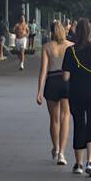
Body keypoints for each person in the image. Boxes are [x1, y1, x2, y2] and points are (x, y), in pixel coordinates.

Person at [62, 18, 91, 177]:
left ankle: (78, 164)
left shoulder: (70, 51)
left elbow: (66, 77)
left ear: (76, 31)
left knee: (79, 125)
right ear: (90, 32)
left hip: (76, 93)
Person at [35, 20, 73, 166]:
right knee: (65, 117)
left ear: (51, 32)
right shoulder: (70, 46)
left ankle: (56, 148)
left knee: (54, 119)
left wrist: (39, 91)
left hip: (51, 82)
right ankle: (62, 153)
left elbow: (43, 70)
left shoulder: (47, 47)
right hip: (66, 81)